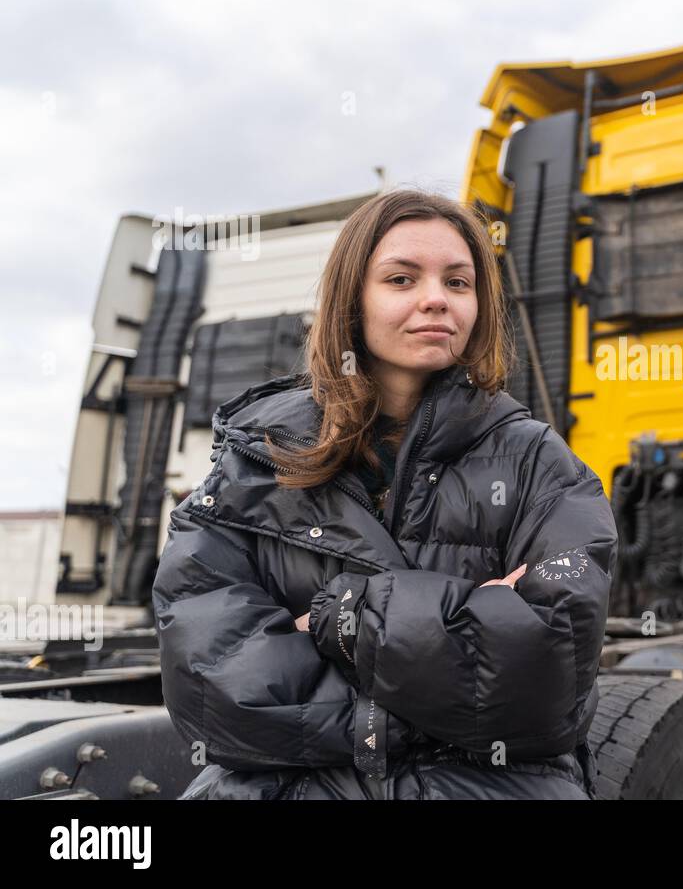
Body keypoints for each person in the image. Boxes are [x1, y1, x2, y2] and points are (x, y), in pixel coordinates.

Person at [152, 189, 617, 799]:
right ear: (353, 299)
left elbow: (544, 672)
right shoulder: (254, 460)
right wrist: (456, 635)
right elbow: (213, 688)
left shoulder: (538, 461)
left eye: (458, 282)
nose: (435, 299)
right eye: (401, 279)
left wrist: (339, 618)